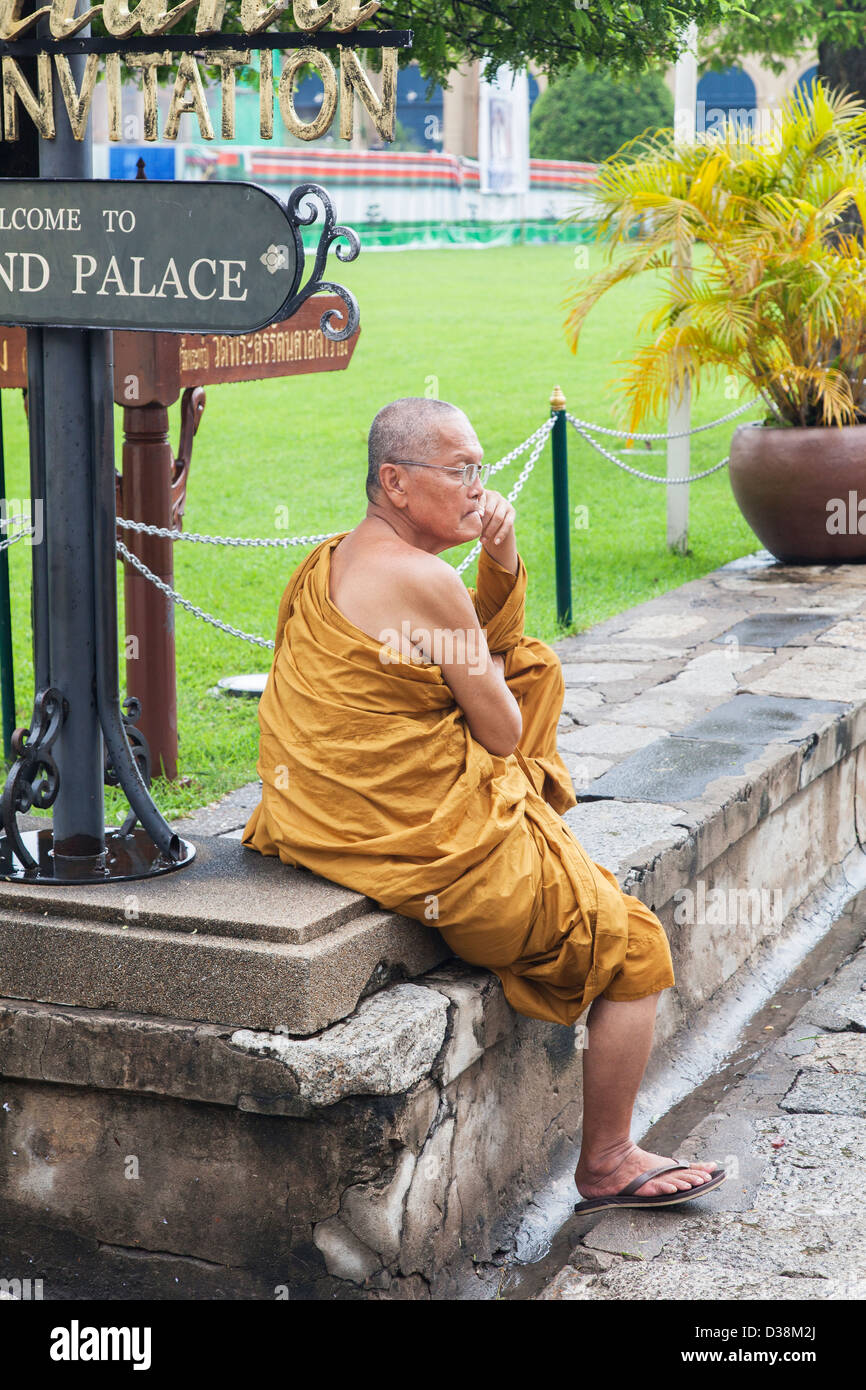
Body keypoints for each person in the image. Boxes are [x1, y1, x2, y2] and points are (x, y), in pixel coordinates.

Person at [242, 397, 725, 1213]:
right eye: (459, 470)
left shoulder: (332, 560)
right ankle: (606, 1160)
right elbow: (502, 731)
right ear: (395, 482)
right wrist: (485, 591)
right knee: (635, 945)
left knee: (529, 673)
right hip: (421, 842)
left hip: (315, 821)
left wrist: (497, 556)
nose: (478, 486)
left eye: (481, 468)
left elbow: (462, 675)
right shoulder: (427, 579)